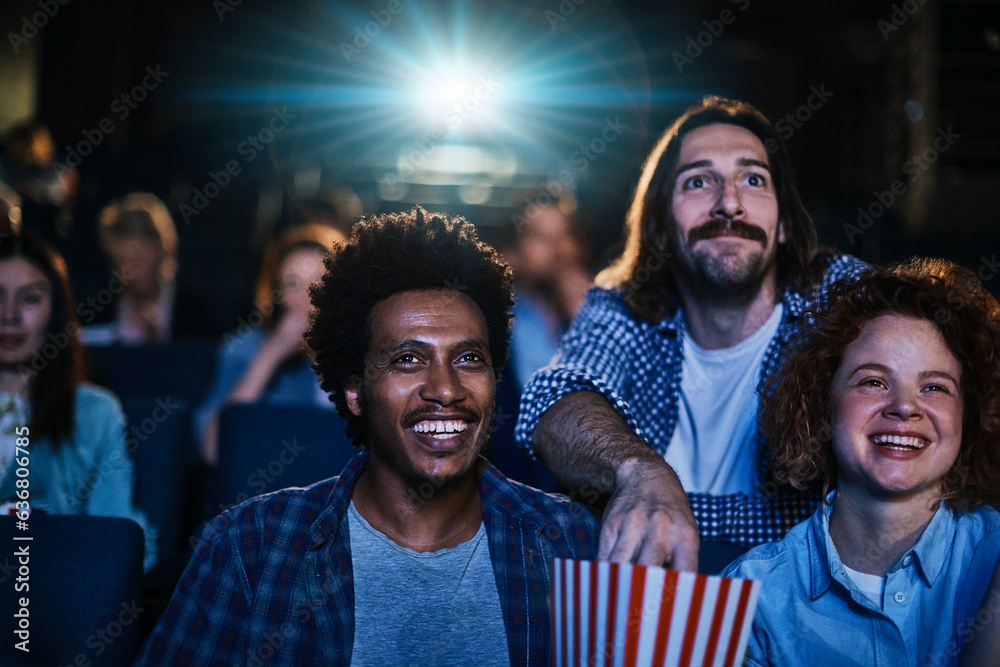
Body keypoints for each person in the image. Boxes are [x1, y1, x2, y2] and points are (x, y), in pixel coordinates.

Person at [135, 208, 599, 665]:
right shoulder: (247, 548)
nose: (445, 389)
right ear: (355, 392)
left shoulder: (573, 542)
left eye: (469, 359)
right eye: (408, 360)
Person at [515, 96, 865, 569]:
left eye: (753, 179)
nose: (729, 204)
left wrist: (647, 506)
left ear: (783, 224)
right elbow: (556, 399)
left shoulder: (840, 300)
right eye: (699, 181)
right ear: (659, 228)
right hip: (651, 618)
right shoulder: (624, 304)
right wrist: (639, 471)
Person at [722, 259, 1000, 666]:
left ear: (970, 414)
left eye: (935, 387)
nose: (905, 407)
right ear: (823, 405)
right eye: (873, 381)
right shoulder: (753, 594)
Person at [0, 230, 157, 570]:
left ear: (55, 312)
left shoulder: (95, 413)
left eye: (30, 298)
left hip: (47, 593)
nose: (9, 314)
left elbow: (114, 540)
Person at [194, 223, 343, 465]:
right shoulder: (245, 347)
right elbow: (212, 448)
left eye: (320, 283)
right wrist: (272, 353)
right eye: (293, 284)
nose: (307, 299)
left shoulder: (365, 349)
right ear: (277, 293)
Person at [81, 191, 227, 345]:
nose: (127, 271)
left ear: (164, 252)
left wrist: (156, 340)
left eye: (138, 260)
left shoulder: (201, 315)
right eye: (118, 261)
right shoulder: (97, 313)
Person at [503, 196, 591, 388]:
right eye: (539, 236)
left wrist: (587, 318)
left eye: (565, 234)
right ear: (511, 254)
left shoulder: (598, 310)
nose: (556, 247)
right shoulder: (494, 316)